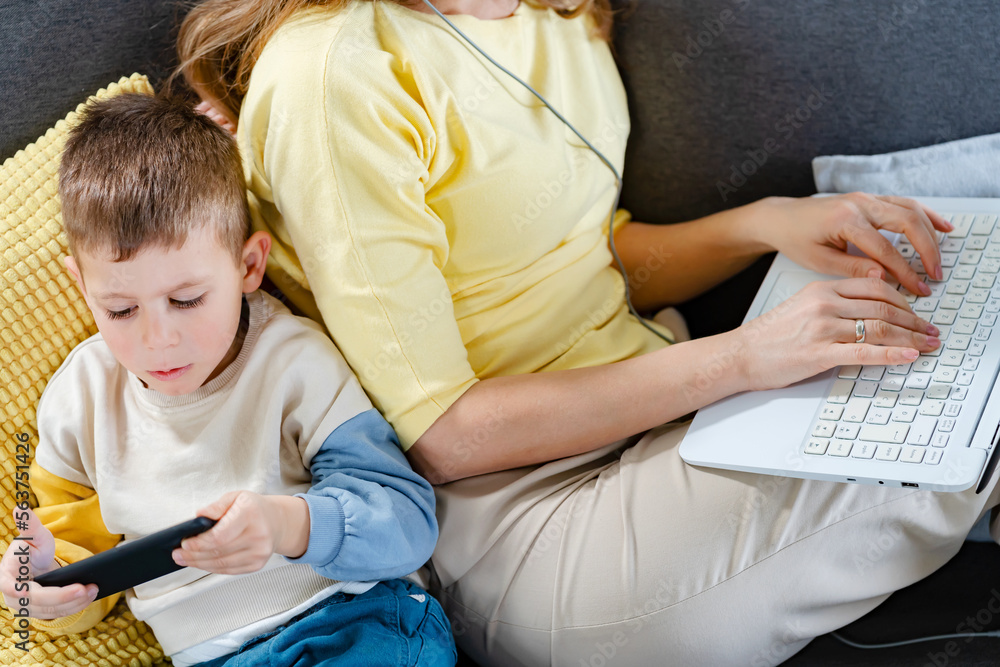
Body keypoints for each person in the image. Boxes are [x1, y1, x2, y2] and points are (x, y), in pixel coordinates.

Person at [174, 0, 1000, 664]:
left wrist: (761, 224)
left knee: (941, 375)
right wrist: (746, 357)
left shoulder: (552, 15)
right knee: (949, 408)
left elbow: (582, 257)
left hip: (664, 406)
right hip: (523, 522)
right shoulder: (335, 75)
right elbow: (445, 434)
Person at [0, 93, 457, 667]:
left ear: (248, 267)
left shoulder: (293, 362)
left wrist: (286, 525)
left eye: (187, 299)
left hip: (347, 620)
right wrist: (43, 582)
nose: (158, 338)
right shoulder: (78, 404)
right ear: (81, 283)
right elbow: (82, 576)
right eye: (119, 309)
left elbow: (408, 521)